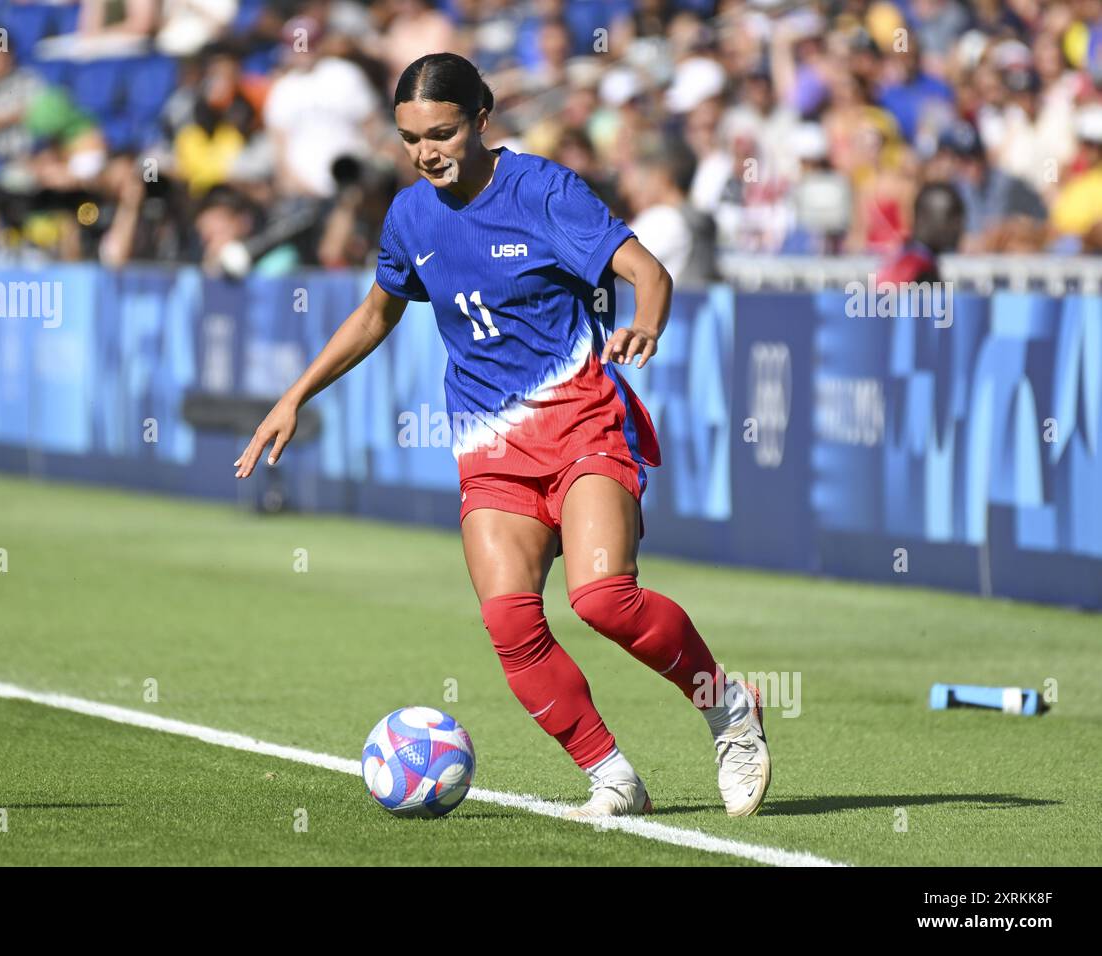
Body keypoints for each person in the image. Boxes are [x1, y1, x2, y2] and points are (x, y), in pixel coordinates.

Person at [236, 52, 771, 819]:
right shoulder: (410, 216)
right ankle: (612, 775)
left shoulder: (543, 191)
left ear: (482, 119)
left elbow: (648, 272)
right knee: (510, 620)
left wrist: (645, 324)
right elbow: (375, 314)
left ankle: (730, 714)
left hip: (583, 422)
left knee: (604, 601)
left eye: (443, 133)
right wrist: (294, 395)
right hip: (492, 447)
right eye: (411, 137)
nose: (427, 153)